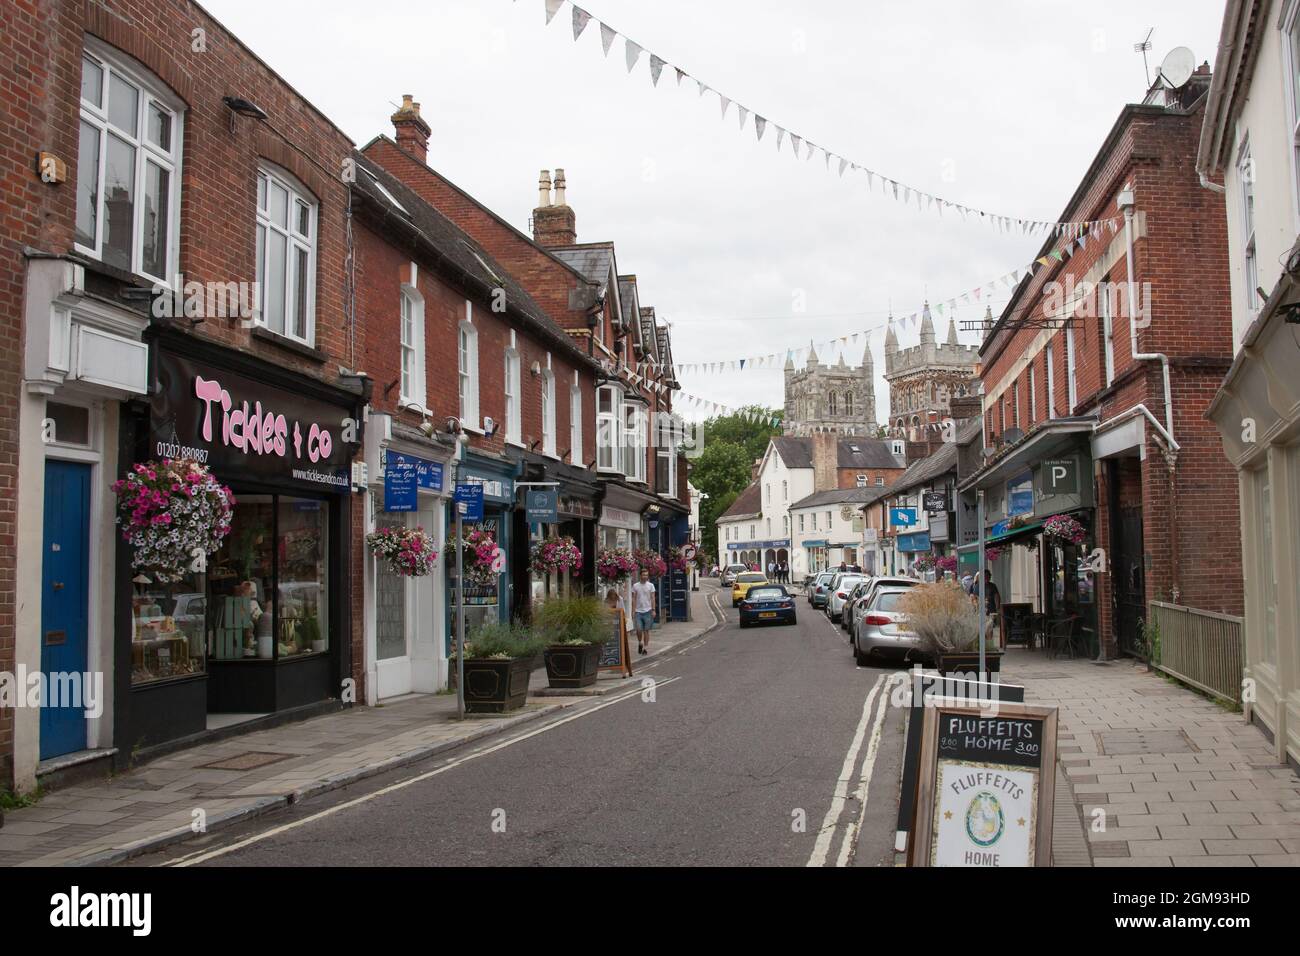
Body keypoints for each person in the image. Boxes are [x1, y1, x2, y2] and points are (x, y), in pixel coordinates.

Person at [630, 568, 658, 656]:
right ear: (640, 576)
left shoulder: (651, 585)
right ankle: (640, 643)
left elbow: (653, 598)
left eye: (646, 575)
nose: (645, 577)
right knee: (638, 629)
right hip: (638, 611)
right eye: (644, 575)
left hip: (648, 611)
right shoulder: (635, 586)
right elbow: (633, 599)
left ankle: (645, 648)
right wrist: (633, 611)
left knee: (646, 631)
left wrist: (653, 610)